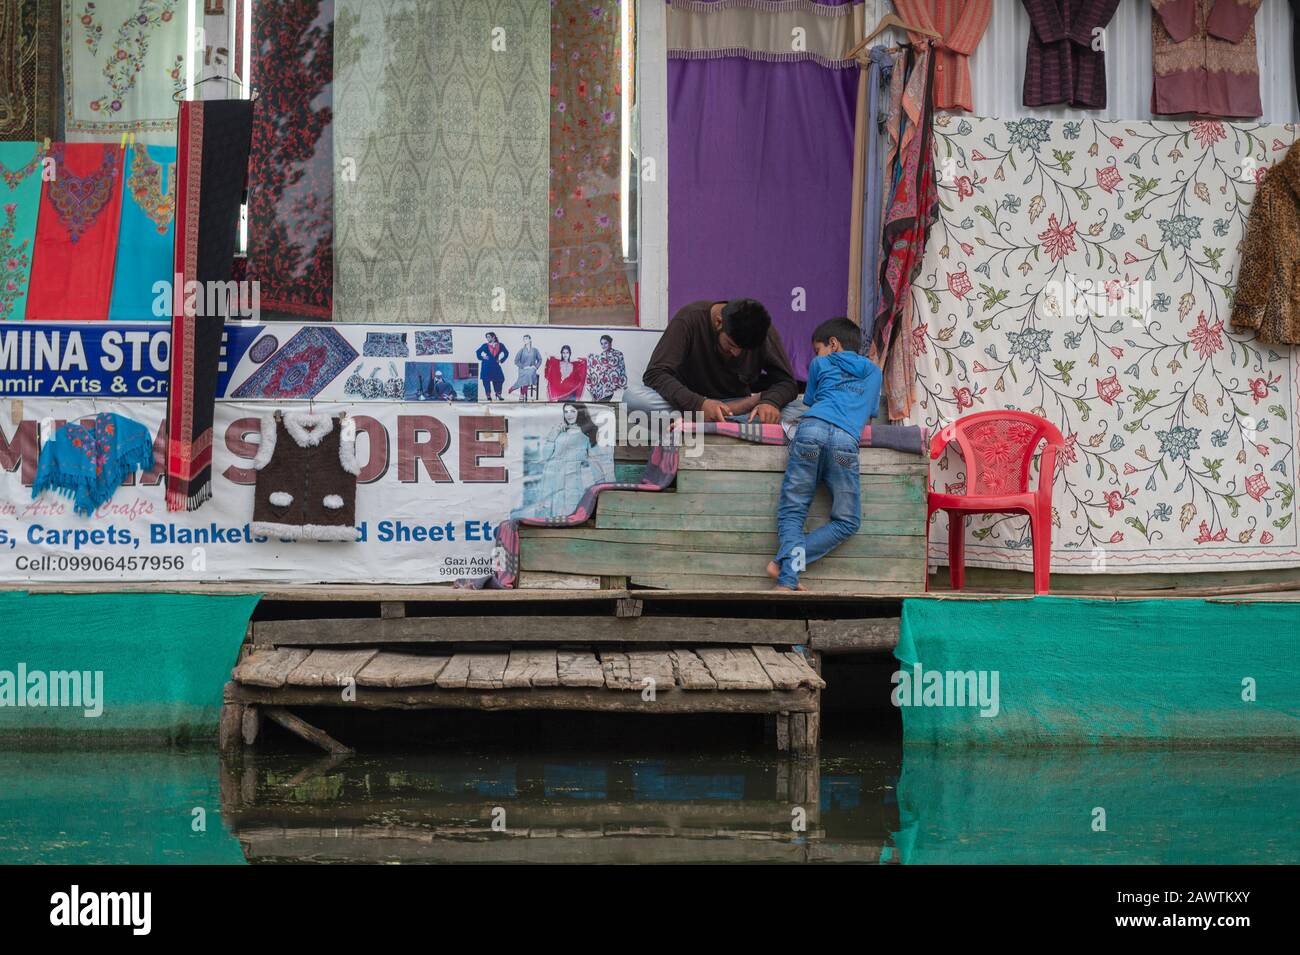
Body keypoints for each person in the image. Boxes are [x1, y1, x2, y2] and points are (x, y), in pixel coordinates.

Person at [767, 317, 881, 592]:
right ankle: (786, 572)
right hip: (844, 444)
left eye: (817, 348)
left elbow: (810, 401)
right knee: (847, 520)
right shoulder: (874, 372)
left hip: (809, 433)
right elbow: (871, 413)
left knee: (794, 511)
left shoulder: (820, 364)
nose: (816, 355)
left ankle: (787, 572)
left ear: (833, 344)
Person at [625, 299, 803, 423]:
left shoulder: (763, 332)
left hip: (737, 408)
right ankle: (720, 424)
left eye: (743, 350)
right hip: (692, 405)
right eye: (731, 345)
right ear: (719, 322)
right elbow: (655, 374)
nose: (736, 353)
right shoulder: (689, 318)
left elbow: (787, 382)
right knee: (633, 399)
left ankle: (710, 425)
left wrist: (769, 402)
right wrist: (699, 404)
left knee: (803, 411)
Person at [512, 402, 613, 520]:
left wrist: (601, 486)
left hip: (570, 480)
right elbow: (545, 456)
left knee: (567, 516)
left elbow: (596, 462)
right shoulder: (560, 431)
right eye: (566, 412)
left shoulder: (588, 433)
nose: (568, 415)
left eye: (572, 411)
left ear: (580, 413)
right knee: (546, 516)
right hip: (550, 479)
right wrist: (553, 436)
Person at [586, 334, 627, 401]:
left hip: (613, 388)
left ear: (610, 343)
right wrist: (591, 358)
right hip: (602, 387)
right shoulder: (601, 356)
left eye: (605, 343)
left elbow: (621, 369)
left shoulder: (618, 354)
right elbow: (599, 370)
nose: (603, 346)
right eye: (601, 344)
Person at [476, 332, 509, 401]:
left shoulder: (500, 345)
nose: (487, 338)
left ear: (493, 337)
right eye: (487, 337)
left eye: (489, 337)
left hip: (495, 365)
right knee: (486, 380)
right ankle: (488, 395)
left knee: (500, 379)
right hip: (486, 365)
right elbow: (478, 352)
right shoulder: (485, 345)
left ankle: (498, 394)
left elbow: (506, 353)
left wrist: (501, 360)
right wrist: (483, 357)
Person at [510, 334, 542, 400]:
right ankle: (521, 393)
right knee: (527, 375)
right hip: (523, 369)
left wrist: (536, 367)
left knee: (529, 373)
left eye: (526, 338)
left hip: (532, 369)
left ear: (530, 340)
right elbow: (516, 361)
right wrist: (523, 367)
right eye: (524, 339)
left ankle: (516, 389)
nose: (525, 340)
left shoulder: (535, 350)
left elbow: (540, 359)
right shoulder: (521, 350)